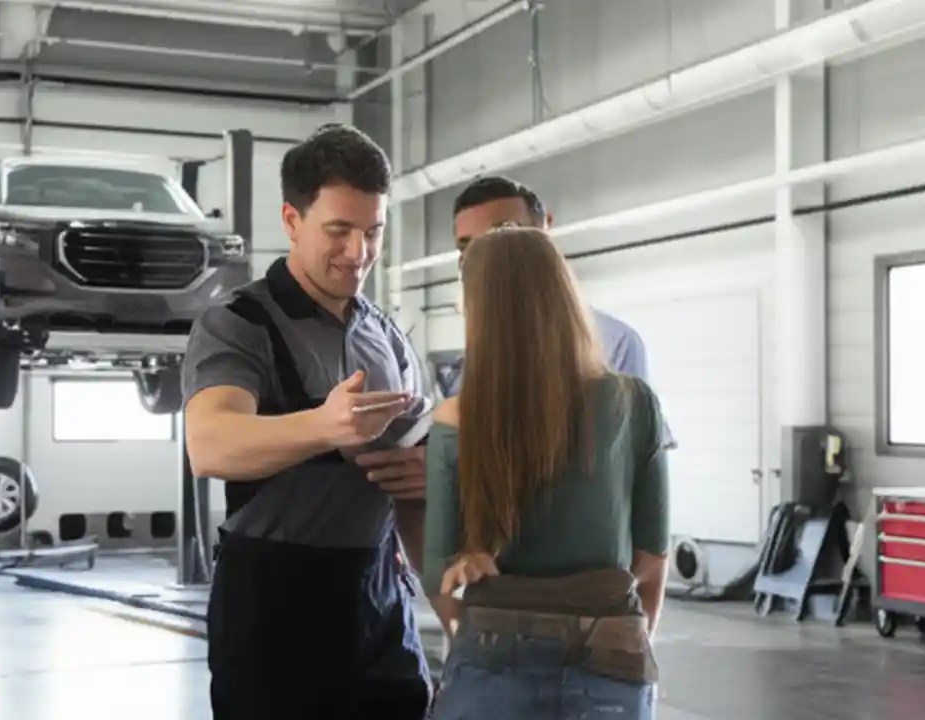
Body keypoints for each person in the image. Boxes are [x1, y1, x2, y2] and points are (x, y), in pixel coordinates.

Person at [181, 124, 433, 720]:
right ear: (292, 220)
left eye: (373, 232)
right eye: (338, 231)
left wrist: (428, 468)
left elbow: (420, 450)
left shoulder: (387, 335)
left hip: (379, 591)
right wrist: (323, 427)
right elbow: (211, 445)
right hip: (275, 602)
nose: (359, 253)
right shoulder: (238, 323)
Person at [422, 227, 670, 719]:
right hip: (610, 652)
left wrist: (469, 637)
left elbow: (438, 573)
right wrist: (628, 643)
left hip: (493, 654)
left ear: (480, 315)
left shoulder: (458, 418)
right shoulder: (632, 401)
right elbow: (651, 559)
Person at [451, 175, 649, 380]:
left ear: (544, 230)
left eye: (504, 232)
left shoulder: (614, 345)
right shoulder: (479, 354)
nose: (485, 256)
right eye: (467, 247)